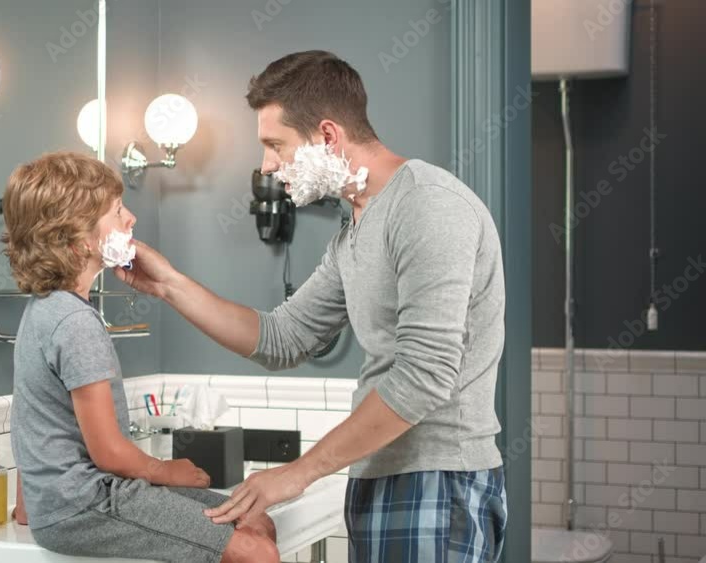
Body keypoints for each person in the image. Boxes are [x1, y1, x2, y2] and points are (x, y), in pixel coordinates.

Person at [113, 51, 508, 561]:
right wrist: (169, 285)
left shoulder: (428, 206)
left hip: (439, 479)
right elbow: (282, 338)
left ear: (327, 136)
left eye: (275, 145)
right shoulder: (355, 226)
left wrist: (299, 473)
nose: (266, 166)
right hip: (383, 474)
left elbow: (425, 374)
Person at [4, 151, 279, 563]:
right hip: (87, 505)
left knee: (255, 517)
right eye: (117, 211)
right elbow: (109, 454)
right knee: (256, 550)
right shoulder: (76, 324)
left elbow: (34, 417)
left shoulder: (43, 309)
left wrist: (30, 505)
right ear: (80, 238)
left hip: (66, 506)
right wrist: (165, 471)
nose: (130, 218)